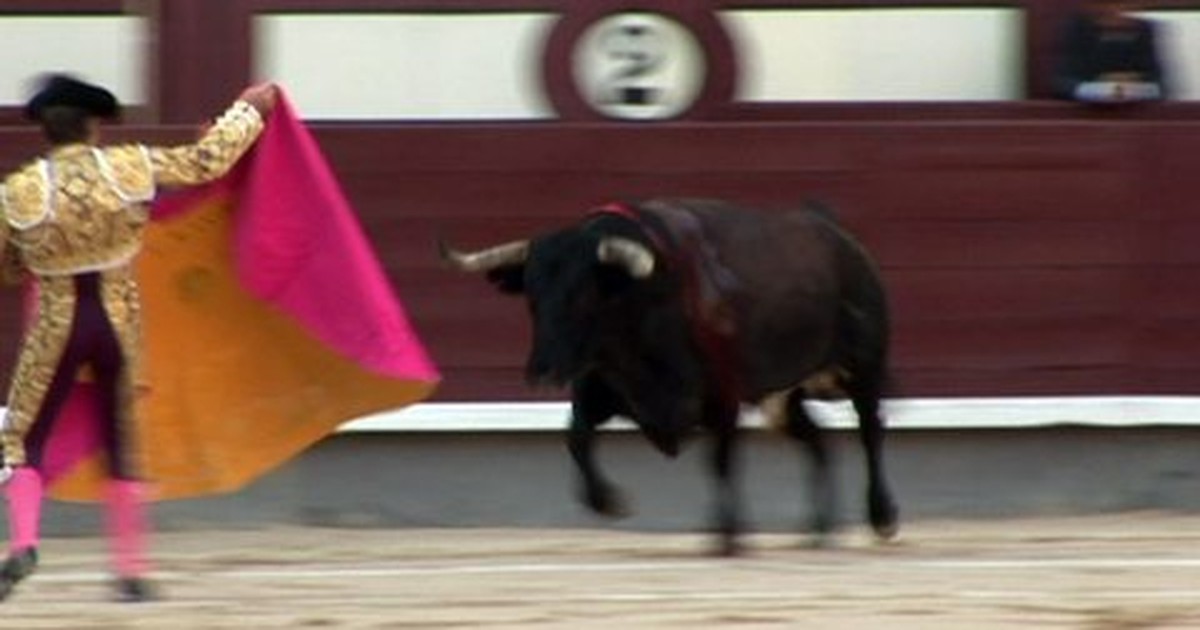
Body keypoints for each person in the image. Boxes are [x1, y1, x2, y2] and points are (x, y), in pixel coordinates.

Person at [0, 74, 277, 603]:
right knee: (119, 437)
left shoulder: (18, 191)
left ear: (47, 132)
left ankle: (22, 546)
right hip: (117, 323)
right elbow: (206, 163)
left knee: (21, 440)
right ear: (94, 125)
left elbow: (8, 269)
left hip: (57, 324)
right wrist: (249, 111)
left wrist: (40, 255)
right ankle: (130, 572)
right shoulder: (129, 165)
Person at [1054, 0, 1169, 103]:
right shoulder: (1078, 29)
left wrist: (1132, 83)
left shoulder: (1142, 30)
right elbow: (1063, 83)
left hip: (1136, 110)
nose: (1112, 10)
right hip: (1088, 111)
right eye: (1105, 4)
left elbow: (1160, 86)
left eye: (1119, 3)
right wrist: (1099, 87)